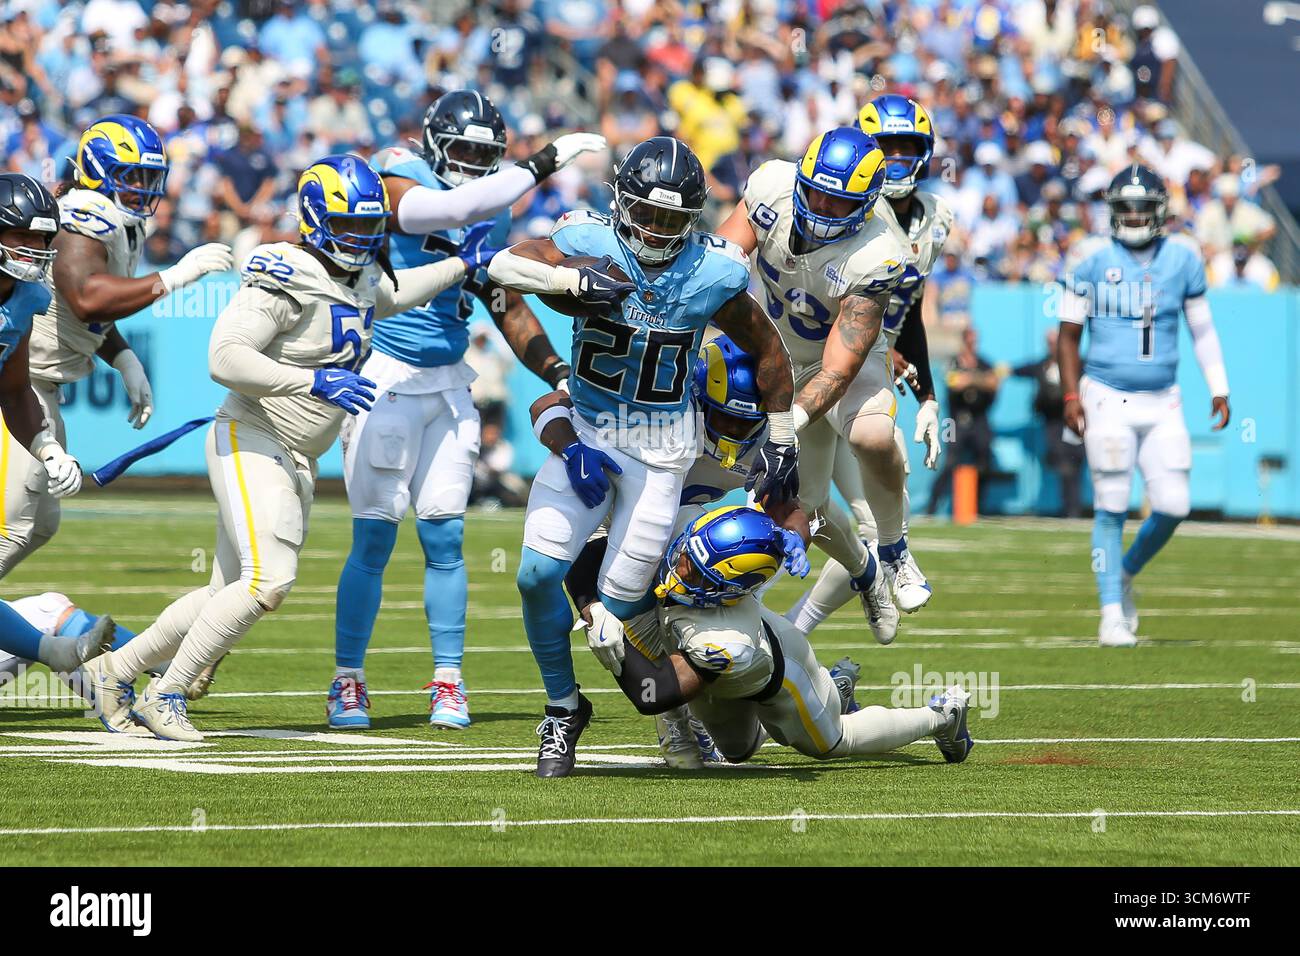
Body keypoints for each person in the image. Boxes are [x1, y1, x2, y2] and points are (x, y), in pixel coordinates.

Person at [76, 154, 502, 741]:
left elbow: (401, 292)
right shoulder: (288, 271)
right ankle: (166, 691)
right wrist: (311, 380)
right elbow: (224, 356)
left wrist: (463, 264)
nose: (359, 238)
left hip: (295, 454)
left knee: (224, 591)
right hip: (253, 435)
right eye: (347, 225)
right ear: (314, 219)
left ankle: (111, 673)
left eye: (368, 227)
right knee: (267, 581)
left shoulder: (360, 279)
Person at [488, 135, 797, 777]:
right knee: (535, 576)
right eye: (647, 214)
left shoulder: (712, 270)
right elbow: (502, 266)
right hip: (594, 434)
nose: (655, 230)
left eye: (670, 219)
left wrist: (784, 439)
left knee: (622, 608)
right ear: (621, 202)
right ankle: (562, 709)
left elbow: (769, 352)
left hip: (661, 453)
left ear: (693, 221)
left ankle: (682, 715)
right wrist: (567, 278)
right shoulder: (592, 241)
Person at [328, 89, 605, 731]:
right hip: (384, 373)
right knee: (373, 534)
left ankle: (448, 680)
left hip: (450, 382)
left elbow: (504, 305)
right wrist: (540, 164)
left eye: (488, 156)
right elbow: (442, 210)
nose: (476, 166)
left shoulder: (493, 214)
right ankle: (349, 680)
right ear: (432, 144)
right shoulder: (400, 173)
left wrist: (557, 368)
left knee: (446, 536)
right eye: (466, 151)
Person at [566, 504, 974, 768]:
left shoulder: (724, 640)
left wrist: (613, 650)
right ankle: (835, 689)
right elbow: (581, 561)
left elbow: (652, 693)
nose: (679, 566)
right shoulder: (685, 538)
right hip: (712, 669)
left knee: (831, 743)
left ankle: (942, 716)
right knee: (737, 752)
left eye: (693, 570)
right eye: (685, 554)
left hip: (779, 676)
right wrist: (592, 606)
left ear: (721, 592)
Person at [2, 115, 233, 578]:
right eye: (131, 175)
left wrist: (123, 356)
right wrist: (172, 278)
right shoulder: (87, 213)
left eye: (150, 176)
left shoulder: (121, 222)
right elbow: (87, 297)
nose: (143, 187)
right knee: (20, 525)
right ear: (98, 168)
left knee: (38, 523)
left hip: (29, 386)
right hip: (27, 382)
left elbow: (88, 311)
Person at [716, 127, 931, 612]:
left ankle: (894, 549)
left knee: (872, 435)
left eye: (839, 203)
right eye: (816, 192)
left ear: (867, 204)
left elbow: (837, 368)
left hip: (837, 363)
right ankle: (863, 570)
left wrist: (785, 425)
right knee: (800, 506)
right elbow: (719, 264)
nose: (822, 208)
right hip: (772, 351)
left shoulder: (878, 252)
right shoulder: (771, 185)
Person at [782, 94, 954, 637]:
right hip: (815, 363)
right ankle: (863, 581)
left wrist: (927, 395)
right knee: (805, 509)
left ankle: (802, 624)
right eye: (885, 146)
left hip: (863, 374)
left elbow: (911, 310)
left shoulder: (934, 220)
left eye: (909, 148)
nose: (897, 158)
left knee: (876, 511)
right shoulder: (844, 212)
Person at [1058, 163, 1229, 648]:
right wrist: (1072, 395)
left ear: (1160, 212)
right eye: (1125, 208)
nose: (1133, 217)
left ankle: (1126, 572)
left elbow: (1203, 329)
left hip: (1164, 398)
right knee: (1111, 504)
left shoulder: (1183, 258)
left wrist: (1219, 385)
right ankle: (1110, 611)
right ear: (1111, 211)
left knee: (1174, 505)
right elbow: (1068, 337)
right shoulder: (1089, 257)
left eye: (1142, 208)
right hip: (1107, 394)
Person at [0, 173, 114, 673]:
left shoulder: (25, 299)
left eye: (42, 239)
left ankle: (53, 646)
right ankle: (52, 639)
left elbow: (13, 388)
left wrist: (46, 446)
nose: (33, 248)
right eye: (21, 236)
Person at [925, 326, 1000, 516]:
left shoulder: (983, 362)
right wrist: (980, 380)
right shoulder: (953, 362)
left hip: (979, 419)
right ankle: (932, 507)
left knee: (985, 460)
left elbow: (993, 383)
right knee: (950, 462)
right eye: (969, 341)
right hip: (954, 420)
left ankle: (978, 507)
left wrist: (972, 379)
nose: (972, 345)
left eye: (974, 341)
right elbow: (955, 383)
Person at [1012, 328, 1085, 517]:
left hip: (1072, 420)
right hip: (1052, 421)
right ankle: (1069, 508)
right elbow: (1021, 370)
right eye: (1050, 343)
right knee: (1061, 460)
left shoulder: (1078, 363)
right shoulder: (1043, 365)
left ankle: (1073, 509)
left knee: (1073, 463)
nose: (1053, 346)